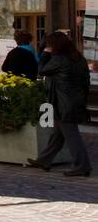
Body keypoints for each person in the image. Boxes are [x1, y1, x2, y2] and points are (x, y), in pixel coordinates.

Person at [27, 31, 92, 177]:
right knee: (58, 134)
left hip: (63, 103)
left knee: (71, 135)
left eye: (50, 44)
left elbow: (41, 70)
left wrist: (45, 53)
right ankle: (44, 160)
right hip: (75, 100)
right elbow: (85, 80)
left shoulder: (59, 60)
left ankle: (82, 165)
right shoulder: (78, 57)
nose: (48, 46)